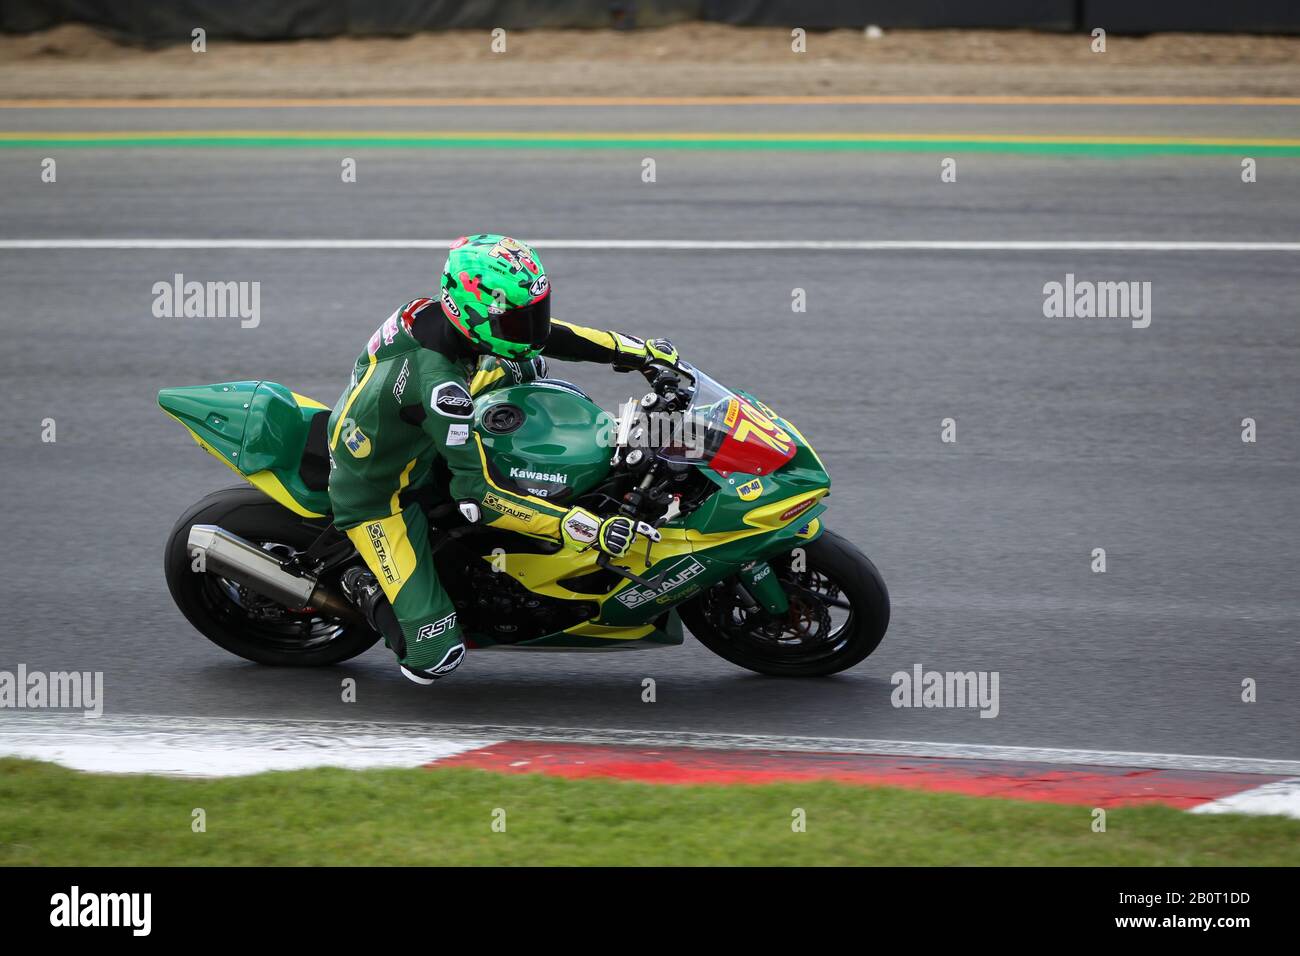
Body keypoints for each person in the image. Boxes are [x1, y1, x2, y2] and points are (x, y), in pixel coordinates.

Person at [326, 234, 679, 683]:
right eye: (518, 321)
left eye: (535, 312)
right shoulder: (440, 389)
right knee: (434, 657)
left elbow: (548, 338)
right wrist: (578, 526)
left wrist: (637, 352)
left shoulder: (440, 315)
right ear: (470, 313)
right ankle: (362, 582)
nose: (532, 329)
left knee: (524, 366)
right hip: (379, 491)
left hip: (409, 427)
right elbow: (477, 495)